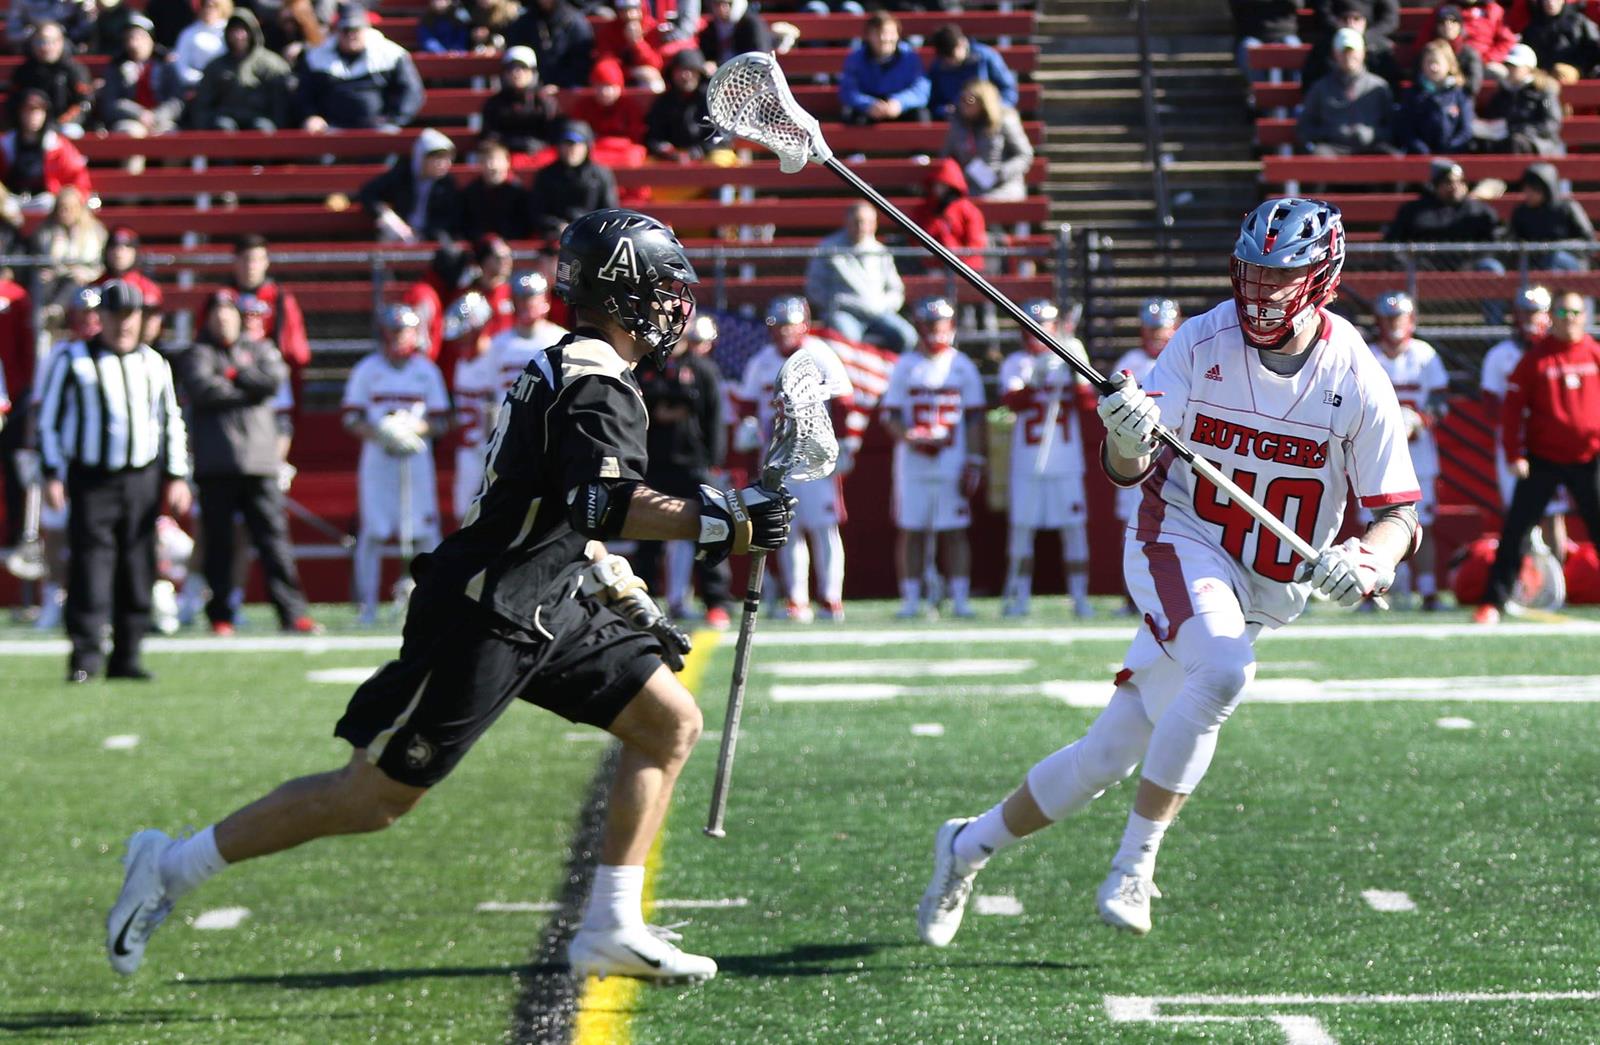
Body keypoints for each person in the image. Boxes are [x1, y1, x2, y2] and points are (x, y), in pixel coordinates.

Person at [105, 208, 796, 986]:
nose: (675, 306)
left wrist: (608, 573)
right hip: (488, 610)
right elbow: (599, 502)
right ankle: (170, 864)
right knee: (371, 797)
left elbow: (552, 506)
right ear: (623, 291)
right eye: (664, 289)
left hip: (544, 598)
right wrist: (725, 518)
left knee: (669, 721)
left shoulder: (572, 364)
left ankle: (611, 922)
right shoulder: (600, 384)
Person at [915, 197, 1421, 945]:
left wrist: (1368, 559)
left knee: (1106, 755)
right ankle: (1133, 863)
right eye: (1252, 273)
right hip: (1178, 539)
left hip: (1261, 586)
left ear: (1323, 279)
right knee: (1223, 671)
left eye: (1281, 277)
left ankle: (966, 844)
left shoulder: (1356, 375)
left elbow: (1400, 515)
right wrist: (1126, 436)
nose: (1260, 292)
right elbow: (1130, 467)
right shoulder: (1201, 340)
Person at [36, 280, 192, 683]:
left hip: (142, 477)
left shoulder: (154, 363)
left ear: (141, 319)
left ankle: (128, 655)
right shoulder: (72, 359)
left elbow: (170, 421)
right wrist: (52, 473)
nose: (123, 324)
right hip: (92, 478)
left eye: (130, 316)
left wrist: (176, 475)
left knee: (138, 566)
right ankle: (85, 657)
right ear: (99, 318)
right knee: (91, 565)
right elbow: (49, 421)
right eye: (115, 316)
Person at [174, 290, 319, 635]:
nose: (223, 320)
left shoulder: (261, 349)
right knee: (218, 545)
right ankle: (220, 613)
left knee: (274, 543)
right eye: (217, 313)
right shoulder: (198, 353)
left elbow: (270, 381)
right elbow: (203, 390)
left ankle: (292, 612)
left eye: (229, 313)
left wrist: (232, 374)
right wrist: (244, 382)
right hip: (216, 464)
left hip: (259, 463)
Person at [1475, 289, 1600, 624]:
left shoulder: (1594, 353)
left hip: (1590, 459)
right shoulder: (1536, 359)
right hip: (1543, 458)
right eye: (1561, 313)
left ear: (1585, 317)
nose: (1568, 320)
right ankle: (1493, 602)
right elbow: (1512, 411)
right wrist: (1515, 454)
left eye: (1574, 313)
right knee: (1516, 529)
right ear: (1551, 318)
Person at [735, 296, 858, 622]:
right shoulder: (761, 361)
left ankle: (831, 598)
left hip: (815, 455)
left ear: (804, 324)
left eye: (790, 325)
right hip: (777, 456)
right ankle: (797, 599)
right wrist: (748, 428)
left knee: (824, 527)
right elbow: (748, 404)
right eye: (778, 326)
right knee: (787, 529)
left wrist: (846, 442)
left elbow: (844, 401)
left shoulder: (820, 355)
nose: (785, 333)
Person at [343, 304, 451, 625]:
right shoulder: (367, 369)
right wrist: (383, 433)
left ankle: (428, 601)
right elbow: (352, 418)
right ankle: (367, 606)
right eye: (394, 332)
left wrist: (410, 429)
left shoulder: (426, 371)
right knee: (373, 532)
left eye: (404, 331)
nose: (399, 338)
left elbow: (441, 420)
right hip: (378, 457)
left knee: (423, 532)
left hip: (416, 457)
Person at [881, 296, 986, 620]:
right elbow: (890, 415)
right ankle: (911, 599)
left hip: (950, 459)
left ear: (950, 327)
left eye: (940, 326)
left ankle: (959, 599)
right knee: (912, 530)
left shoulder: (962, 366)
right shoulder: (906, 365)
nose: (935, 333)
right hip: (913, 462)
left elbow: (974, 418)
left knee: (955, 531)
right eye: (929, 326)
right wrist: (908, 436)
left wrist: (975, 460)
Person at [634, 310, 733, 627]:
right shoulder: (645, 368)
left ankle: (716, 600)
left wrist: (714, 462)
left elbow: (713, 417)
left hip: (694, 465)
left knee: (711, 531)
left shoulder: (702, 369)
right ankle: (643, 601)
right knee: (648, 539)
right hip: (655, 464)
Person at [998, 299, 1095, 619]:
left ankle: (1079, 597)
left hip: (1065, 460)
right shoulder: (1015, 362)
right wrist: (1037, 379)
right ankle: (1019, 597)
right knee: (1022, 530)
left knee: (1074, 530)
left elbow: (1087, 403)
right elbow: (1012, 401)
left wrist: (1078, 368)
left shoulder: (1068, 354)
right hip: (1028, 461)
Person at [1369, 291, 1449, 609]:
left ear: (1411, 320)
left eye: (1399, 318)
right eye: (1388, 319)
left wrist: (1421, 419)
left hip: (1419, 455)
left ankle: (1427, 590)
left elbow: (1442, 400)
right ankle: (1373, 591)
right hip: (1376, 453)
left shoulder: (1424, 354)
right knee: (1375, 524)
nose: (1394, 325)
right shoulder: (1368, 355)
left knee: (1423, 523)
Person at [1111, 297, 1180, 616]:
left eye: (1162, 330)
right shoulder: (1130, 361)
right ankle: (1131, 597)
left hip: (1177, 457)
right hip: (1138, 453)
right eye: (1152, 330)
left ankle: (1172, 594)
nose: (1157, 336)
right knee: (1132, 526)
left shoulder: (1185, 359)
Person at [805, 202, 916, 354]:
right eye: (857, 221)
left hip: (880, 313)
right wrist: (833, 304)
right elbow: (815, 286)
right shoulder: (828, 248)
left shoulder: (880, 251)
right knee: (849, 343)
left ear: (874, 224)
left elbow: (896, 289)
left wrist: (882, 305)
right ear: (847, 222)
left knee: (908, 336)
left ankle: (895, 375)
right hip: (845, 313)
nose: (861, 226)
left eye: (867, 222)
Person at [296, 3, 425, 133]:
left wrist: (396, 120)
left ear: (366, 29)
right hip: (330, 129)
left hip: (379, 131)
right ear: (337, 31)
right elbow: (304, 94)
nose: (351, 35)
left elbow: (412, 91)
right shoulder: (316, 58)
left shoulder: (391, 55)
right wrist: (310, 116)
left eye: (356, 29)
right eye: (346, 30)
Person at [1481, 284, 1553, 508]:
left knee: (1552, 510)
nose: (1530, 319)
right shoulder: (1499, 354)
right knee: (1516, 506)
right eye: (1525, 313)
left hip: (1551, 438)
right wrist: (1515, 415)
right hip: (1515, 437)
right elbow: (1490, 403)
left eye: (1536, 312)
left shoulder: (1556, 352)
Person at [226, 235, 311, 414]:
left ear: (266, 262)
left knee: (278, 429)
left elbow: (295, 348)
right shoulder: (222, 297)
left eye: (257, 260)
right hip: (232, 373)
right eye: (246, 259)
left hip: (270, 372)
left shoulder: (279, 298)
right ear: (236, 261)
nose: (251, 266)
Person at [1384, 160, 1505, 273]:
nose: (1455, 186)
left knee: (1491, 267)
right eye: (1448, 182)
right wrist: (1409, 265)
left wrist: (1472, 264)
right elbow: (1393, 243)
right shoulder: (1414, 211)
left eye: (1460, 181)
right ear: (1435, 185)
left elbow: (1493, 244)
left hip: (1471, 270)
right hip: (1422, 272)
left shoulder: (1479, 212)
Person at [188, 7, 295, 132]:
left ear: (252, 33)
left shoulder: (271, 64)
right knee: (223, 128)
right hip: (226, 119)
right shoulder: (216, 66)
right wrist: (204, 126)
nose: (239, 36)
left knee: (263, 130)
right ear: (228, 34)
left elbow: (281, 100)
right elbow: (203, 102)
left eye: (243, 31)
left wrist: (279, 126)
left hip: (260, 117)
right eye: (235, 31)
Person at [1296, 27, 1396, 156]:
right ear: (1335, 53)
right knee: (1319, 156)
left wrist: (1372, 133)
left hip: (1370, 148)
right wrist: (1332, 132)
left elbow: (1393, 128)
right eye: (1343, 51)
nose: (1348, 56)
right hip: (1332, 149)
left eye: (1352, 51)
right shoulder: (1321, 87)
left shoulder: (1379, 87)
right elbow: (1304, 128)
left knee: (1392, 157)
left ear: (1363, 52)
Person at [358, 128, 464, 245]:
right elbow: (368, 193)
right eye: (438, 158)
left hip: (432, 239)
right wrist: (388, 216)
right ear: (421, 157)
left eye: (448, 158)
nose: (444, 164)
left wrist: (423, 235)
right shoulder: (402, 175)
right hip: (399, 236)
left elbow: (447, 220)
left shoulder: (447, 184)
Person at [445, 292, 499, 525]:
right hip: (468, 452)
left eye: (466, 334)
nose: (461, 341)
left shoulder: (497, 357)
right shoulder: (461, 362)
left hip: (495, 451)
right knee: (463, 517)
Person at [940, 80, 1034, 203]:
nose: (964, 105)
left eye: (970, 101)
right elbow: (947, 156)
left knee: (989, 203)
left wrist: (1001, 173)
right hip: (969, 185)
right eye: (962, 99)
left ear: (984, 102)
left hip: (1003, 186)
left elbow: (1024, 155)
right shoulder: (958, 125)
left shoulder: (1004, 121)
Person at [0, 88, 92, 213]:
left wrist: (68, 198)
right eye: (27, 110)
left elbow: (78, 177)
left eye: (38, 111)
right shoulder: (5, 144)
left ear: (45, 114)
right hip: (11, 200)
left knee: (50, 204)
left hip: (46, 201)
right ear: (19, 113)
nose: (32, 116)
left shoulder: (57, 145)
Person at [94, 13, 185, 138]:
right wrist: (139, 114)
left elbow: (176, 100)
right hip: (129, 121)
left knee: (172, 137)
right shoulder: (115, 67)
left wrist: (156, 116)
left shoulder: (166, 65)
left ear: (151, 40)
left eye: (140, 37)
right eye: (129, 38)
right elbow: (111, 102)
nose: (134, 44)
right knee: (129, 135)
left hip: (161, 120)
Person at [527, 121, 620, 239]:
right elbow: (537, 212)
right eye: (567, 144)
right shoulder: (545, 175)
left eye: (578, 144)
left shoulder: (601, 175)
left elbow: (610, 212)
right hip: (555, 239)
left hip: (593, 237)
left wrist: (587, 227)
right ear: (559, 146)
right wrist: (558, 226)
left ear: (587, 146)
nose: (572, 149)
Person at [839, 11, 931, 125]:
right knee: (851, 116)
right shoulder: (855, 58)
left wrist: (899, 103)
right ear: (868, 36)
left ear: (898, 34)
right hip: (869, 108)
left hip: (900, 106)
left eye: (890, 33)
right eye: (878, 33)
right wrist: (868, 104)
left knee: (921, 115)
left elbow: (921, 89)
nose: (884, 39)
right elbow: (848, 91)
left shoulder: (910, 57)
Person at [487, 269, 569, 397]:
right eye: (521, 299)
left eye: (532, 298)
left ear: (545, 300)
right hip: (508, 414)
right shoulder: (497, 343)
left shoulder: (559, 339)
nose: (526, 304)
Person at [32, 184, 105, 317]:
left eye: (71, 208)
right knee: (42, 281)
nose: (65, 212)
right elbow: (42, 260)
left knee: (74, 281)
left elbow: (95, 263)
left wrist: (81, 272)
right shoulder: (45, 232)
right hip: (54, 277)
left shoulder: (94, 231)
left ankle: (56, 311)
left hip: (85, 278)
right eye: (62, 208)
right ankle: (41, 321)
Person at [9, 22, 92, 136]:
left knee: (71, 132)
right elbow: (14, 101)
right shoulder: (24, 71)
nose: (45, 46)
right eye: (39, 42)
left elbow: (84, 102)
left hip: (64, 125)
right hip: (28, 126)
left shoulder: (74, 70)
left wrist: (60, 123)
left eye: (51, 42)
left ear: (61, 42)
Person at [1479, 43, 1564, 155]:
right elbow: (1493, 117)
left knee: (1515, 142)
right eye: (1509, 65)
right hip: (1507, 138)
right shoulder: (1503, 92)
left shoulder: (1542, 90)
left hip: (1539, 143)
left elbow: (1551, 124)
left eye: (1515, 66)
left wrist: (1521, 130)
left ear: (1528, 68)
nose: (1511, 69)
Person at [1393, 39, 1474, 155]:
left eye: (1437, 63)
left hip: (1454, 156)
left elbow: (1466, 131)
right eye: (1429, 62)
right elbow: (1406, 130)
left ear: (1449, 64)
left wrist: (1450, 149)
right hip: (1420, 158)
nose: (1433, 67)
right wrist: (1423, 151)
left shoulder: (1460, 94)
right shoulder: (1413, 94)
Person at [1509, 162, 1594, 270]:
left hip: (1569, 262)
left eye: (1534, 189)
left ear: (1547, 189)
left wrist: (1554, 247)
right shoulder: (1521, 212)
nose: (1528, 193)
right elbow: (1512, 243)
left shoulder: (1567, 208)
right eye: (1526, 189)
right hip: (1534, 266)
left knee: (1555, 259)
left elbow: (1588, 241)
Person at [927, 23, 1019, 121]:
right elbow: (934, 101)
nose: (950, 62)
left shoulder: (985, 57)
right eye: (946, 58)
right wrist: (944, 110)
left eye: (952, 56)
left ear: (962, 43)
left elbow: (1008, 90)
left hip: (988, 118)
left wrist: (993, 108)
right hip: (955, 121)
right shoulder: (938, 66)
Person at [911, 158, 986, 273]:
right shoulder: (925, 209)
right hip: (933, 267)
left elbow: (975, 243)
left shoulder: (967, 210)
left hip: (965, 268)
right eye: (936, 184)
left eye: (943, 185)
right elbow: (917, 239)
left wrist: (958, 258)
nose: (938, 188)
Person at [480, 46, 560, 153]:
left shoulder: (545, 102)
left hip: (540, 158)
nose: (516, 73)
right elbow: (489, 136)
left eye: (523, 67)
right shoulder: (494, 104)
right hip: (505, 160)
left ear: (533, 71)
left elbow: (554, 136)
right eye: (511, 68)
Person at [95, 226, 165, 347]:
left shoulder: (147, 288)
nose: (119, 253)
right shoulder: (95, 286)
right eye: (114, 247)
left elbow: (152, 328)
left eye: (126, 247)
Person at [504, 0, 594, 89]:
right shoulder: (524, 23)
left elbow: (581, 66)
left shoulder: (575, 23)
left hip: (567, 88)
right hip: (532, 88)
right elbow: (517, 56)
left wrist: (560, 86)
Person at [644, 49, 715, 162]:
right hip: (672, 157)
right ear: (672, 74)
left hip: (707, 153)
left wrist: (698, 151)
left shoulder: (712, 100)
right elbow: (653, 136)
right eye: (681, 70)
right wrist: (666, 150)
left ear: (700, 73)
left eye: (691, 70)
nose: (686, 75)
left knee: (719, 159)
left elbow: (722, 136)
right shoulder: (663, 102)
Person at [460, 138, 530, 242]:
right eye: (485, 160)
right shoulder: (470, 193)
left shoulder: (519, 193)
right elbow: (466, 225)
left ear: (508, 162)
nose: (491, 166)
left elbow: (525, 225)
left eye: (496, 160)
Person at [570, 57, 647, 147]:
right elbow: (576, 133)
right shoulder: (584, 106)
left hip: (622, 151)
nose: (604, 92)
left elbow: (636, 137)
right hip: (592, 150)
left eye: (610, 86)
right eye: (600, 86)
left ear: (619, 87)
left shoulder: (630, 106)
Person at [592, 0, 665, 91]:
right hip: (619, 78)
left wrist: (638, 42)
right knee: (606, 83)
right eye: (624, 10)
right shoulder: (609, 30)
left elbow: (656, 64)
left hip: (643, 76)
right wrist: (632, 72)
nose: (629, 15)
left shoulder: (651, 27)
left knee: (655, 84)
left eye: (634, 9)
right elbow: (606, 63)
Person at [1520, 0, 1600, 82]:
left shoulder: (1578, 21)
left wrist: (1579, 68)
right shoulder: (1533, 26)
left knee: (1559, 71)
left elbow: (1592, 49)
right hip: (1542, 72)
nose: (1550, 3)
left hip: (1572, 70)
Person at [1428, 4, 1486, 101]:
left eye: (1453, 21)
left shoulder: (1469, 53)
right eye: (1443, 22)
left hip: (1460, 102)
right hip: (1431, 100)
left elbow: (1474, 85)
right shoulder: (1429, 51)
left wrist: (1456, 82)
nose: (1448, 25)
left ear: (1460, 26)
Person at [171, 0, 230, 88]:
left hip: (225, 84)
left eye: (213, 6)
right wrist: (203, 79)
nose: (208, 10)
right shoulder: (189, 33)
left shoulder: (229, 31)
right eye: (205, 6)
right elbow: (181, 65)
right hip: (195, 87)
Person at [697, 0, 770, 70]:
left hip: (747, 73)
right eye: (717, 4)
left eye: (728, 3)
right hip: (720, 74)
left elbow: (759, 56)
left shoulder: (752, 24)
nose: (721, 8)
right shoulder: (711, 28)